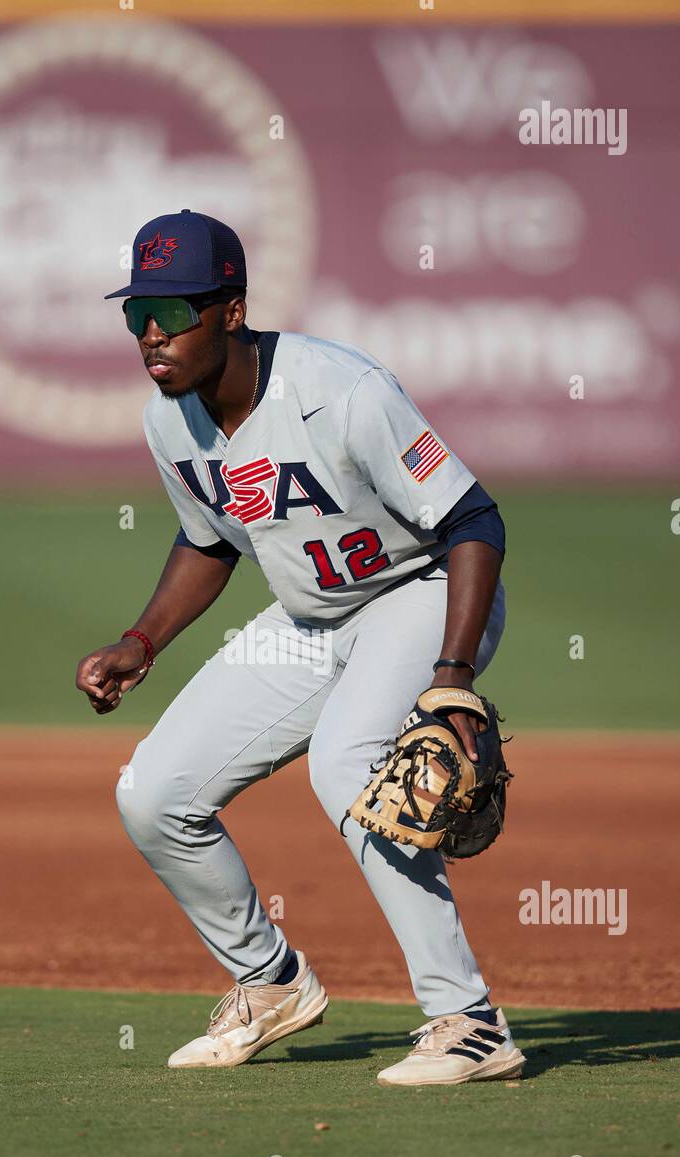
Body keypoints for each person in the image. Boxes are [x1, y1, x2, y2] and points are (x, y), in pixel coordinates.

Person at [75, 210, 525, 1087]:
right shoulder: (171, 422)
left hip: (422, 592)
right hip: (313, 616)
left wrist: (453, 676)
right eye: (137, 316)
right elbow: (207, 542)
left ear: (231, 312)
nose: (152, 337)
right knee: (153, 792)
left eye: (173, 314)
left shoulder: (342, 390)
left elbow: (476, 520)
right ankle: (269, 983)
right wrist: (142, 639)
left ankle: (467, 1022)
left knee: (348, 764)